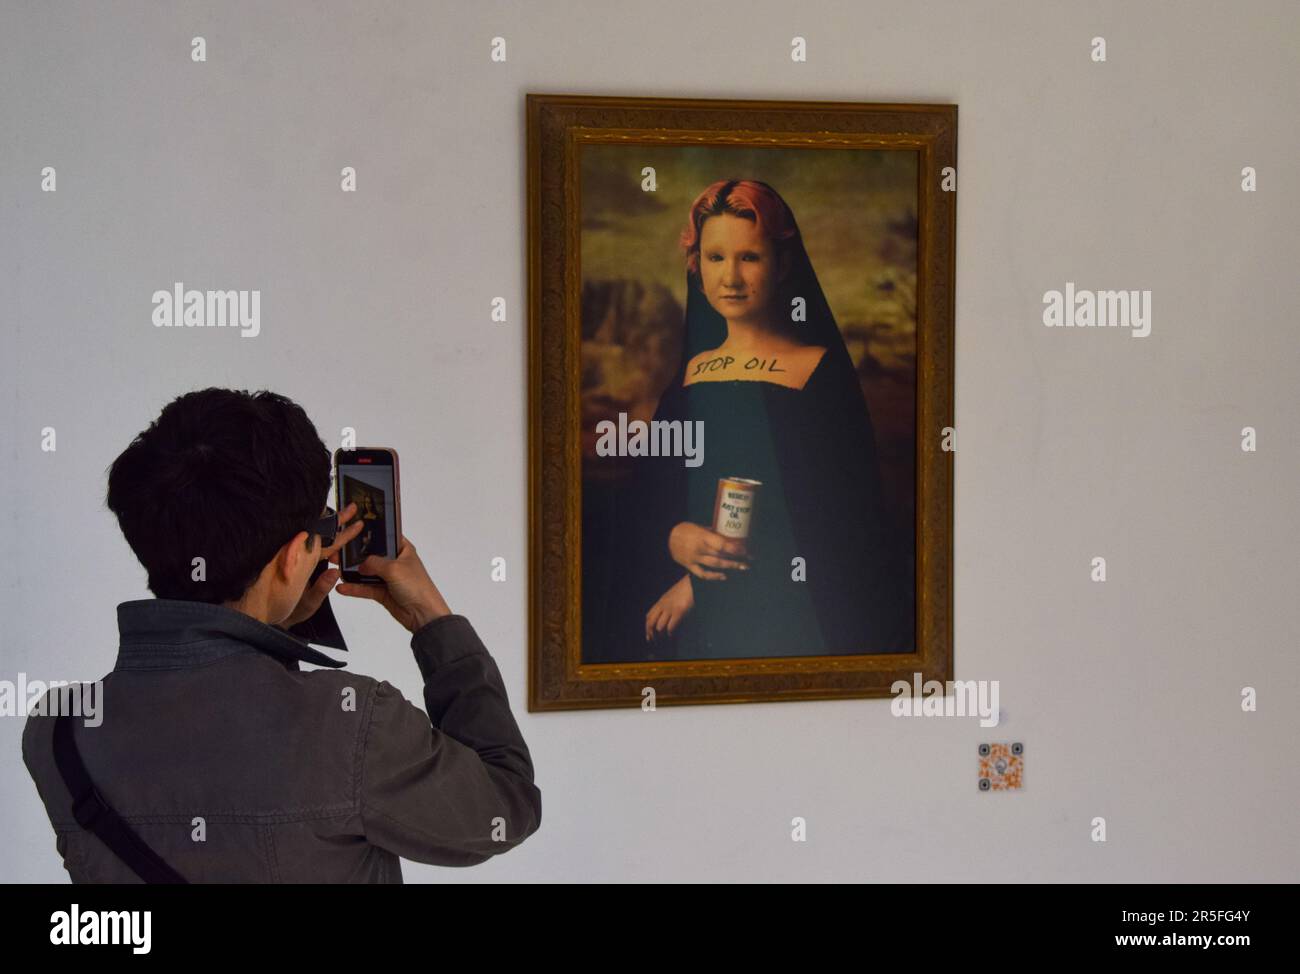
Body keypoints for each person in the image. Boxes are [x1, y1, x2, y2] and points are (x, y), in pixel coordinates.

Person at [21, 388, 541, 882]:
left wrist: (271, 616)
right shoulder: (353, 727)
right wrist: (432, 618)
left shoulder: (56, 731)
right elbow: (507, 804)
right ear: (296, 556)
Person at [635, 178, 913, 659]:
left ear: (782, 264)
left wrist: (702, 586)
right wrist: (673, 537)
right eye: (716, 257)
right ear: (695, 265)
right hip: (700, 627)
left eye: (750, 257)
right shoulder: (689, 380)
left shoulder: (817, 373)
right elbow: (650, 496)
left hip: (794, 611)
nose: (731, 278)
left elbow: (839, 519)